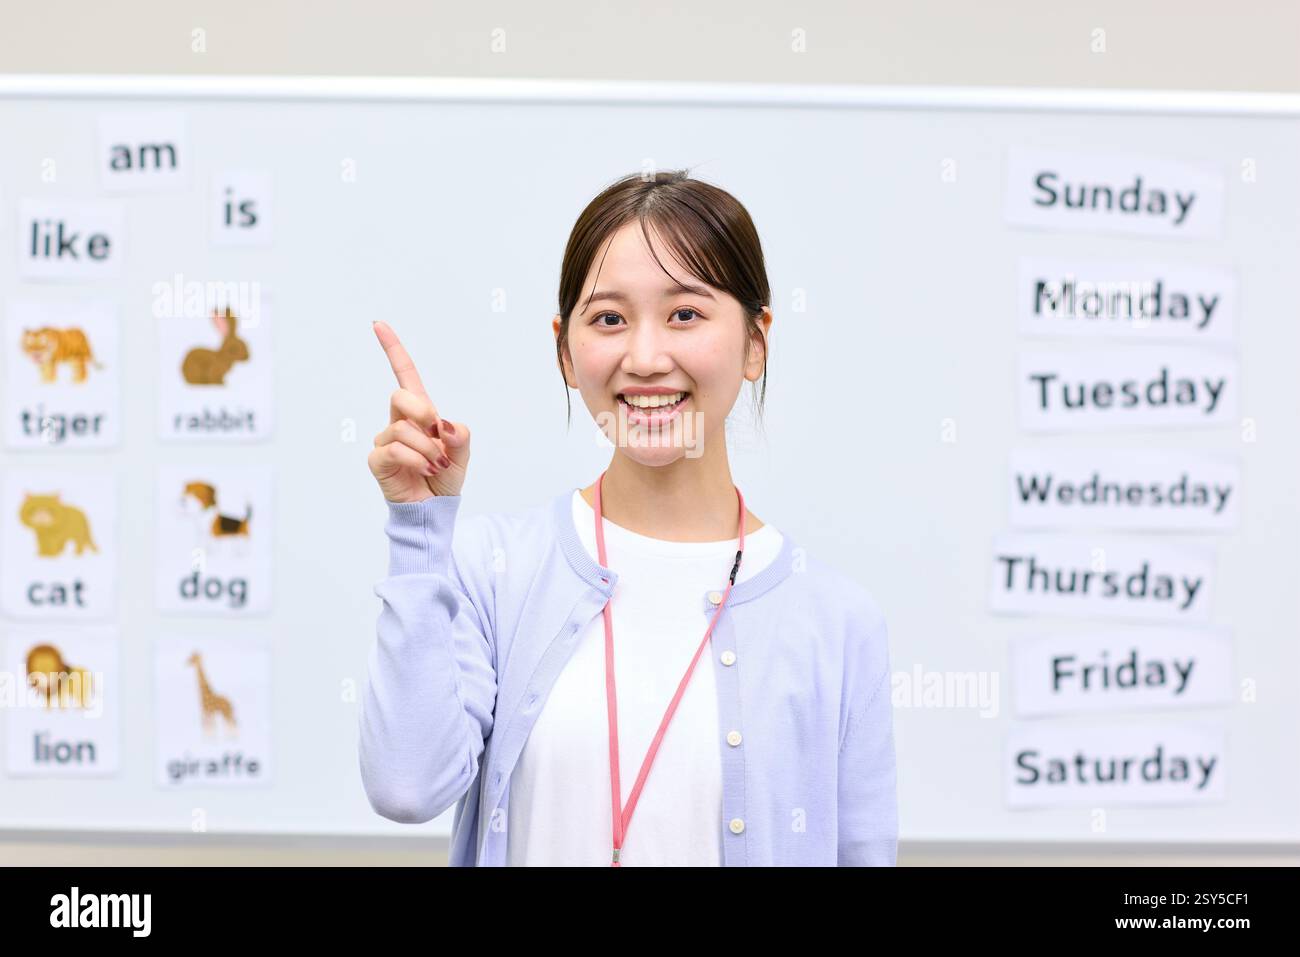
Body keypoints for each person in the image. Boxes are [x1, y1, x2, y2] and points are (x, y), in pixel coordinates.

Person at [360, 170, 897, 866]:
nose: (644, 359)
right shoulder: (495, 569)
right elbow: (407, 786)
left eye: (685, 314)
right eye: (609, 319)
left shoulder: (837, 620)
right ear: (565, 350)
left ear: (756, 341)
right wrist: (420, 529)